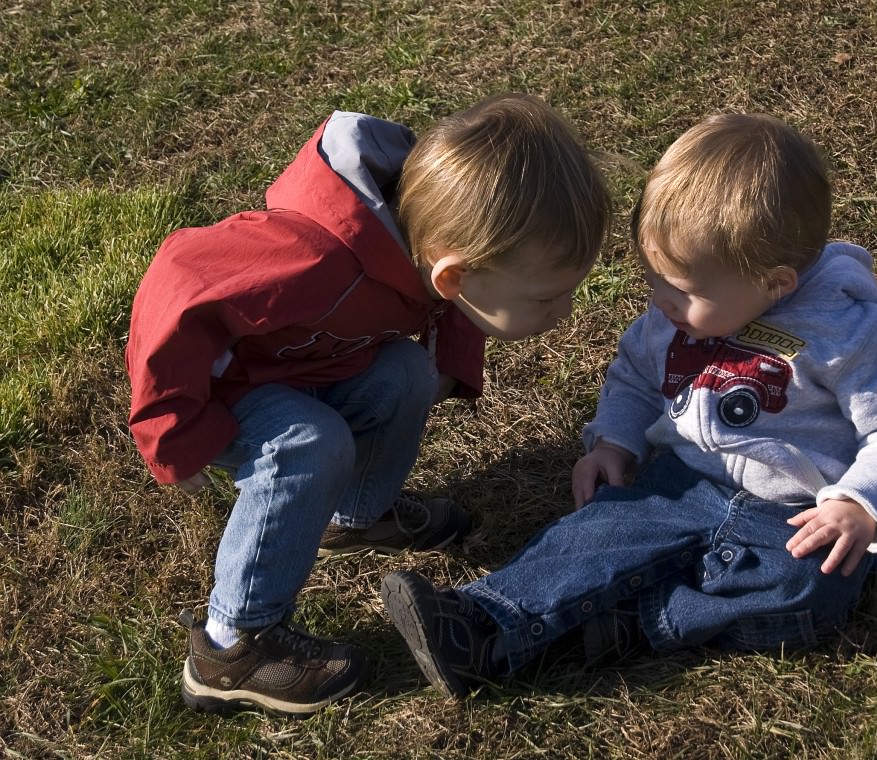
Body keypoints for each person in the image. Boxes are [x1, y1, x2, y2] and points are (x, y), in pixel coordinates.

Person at [380, 112, 877, 699]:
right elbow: (634, 377)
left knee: (812, 584)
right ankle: (479, 622)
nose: (661, 302)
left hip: (795, 513)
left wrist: (861, 503)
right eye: (656, 279)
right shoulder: (672, 317)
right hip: (680, 484)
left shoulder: (850, 332)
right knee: (598, 533)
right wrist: (614, 441)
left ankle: (634, 623)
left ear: (776, 283)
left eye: (682, 290)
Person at [125, 94, 611, 716]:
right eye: (548, 299)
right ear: (453, 274)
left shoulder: (426, 239)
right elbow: (179, 285)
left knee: (407, 370)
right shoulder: (309, 257)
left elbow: (449, 306)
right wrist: (172, 429)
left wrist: (450, 361)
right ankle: (231, 645)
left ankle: (354, 516)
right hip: (226, 392)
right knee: (309, 442)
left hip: (305, 369)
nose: (562, 314)